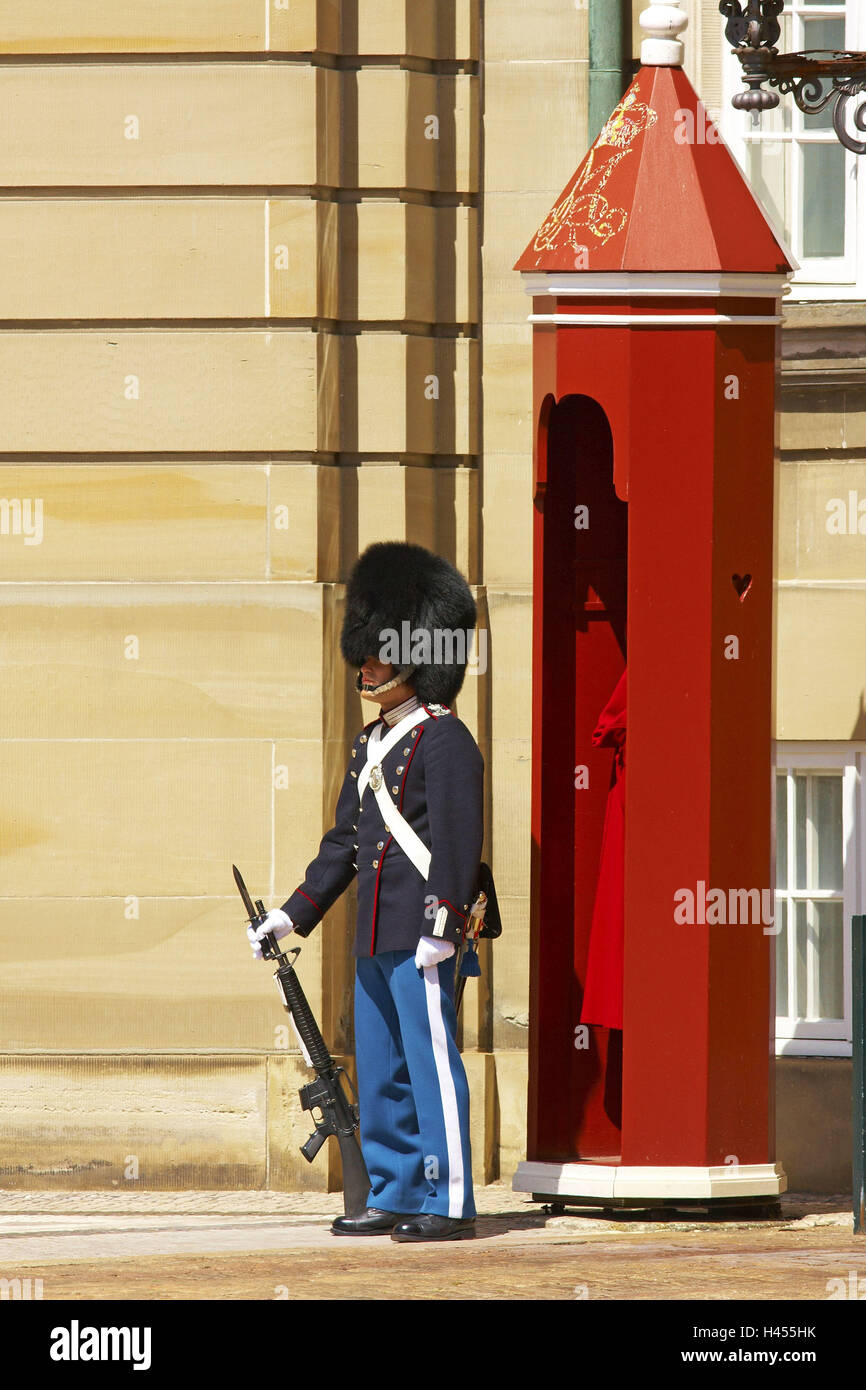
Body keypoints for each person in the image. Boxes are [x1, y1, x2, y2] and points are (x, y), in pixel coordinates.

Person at [247, 541, 484, 1242]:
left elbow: (457, 840)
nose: (367, 663)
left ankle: (448, 1200)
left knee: (430, 1063)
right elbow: (346, 842)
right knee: (380, 1070)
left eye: (381, 650)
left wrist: (444, 922)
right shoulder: (370, 743)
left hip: (423, 933)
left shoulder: (445, 740)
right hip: (376, 933)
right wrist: (293, 915)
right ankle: (396, 1189)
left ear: (419, 654)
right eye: (367, 650)